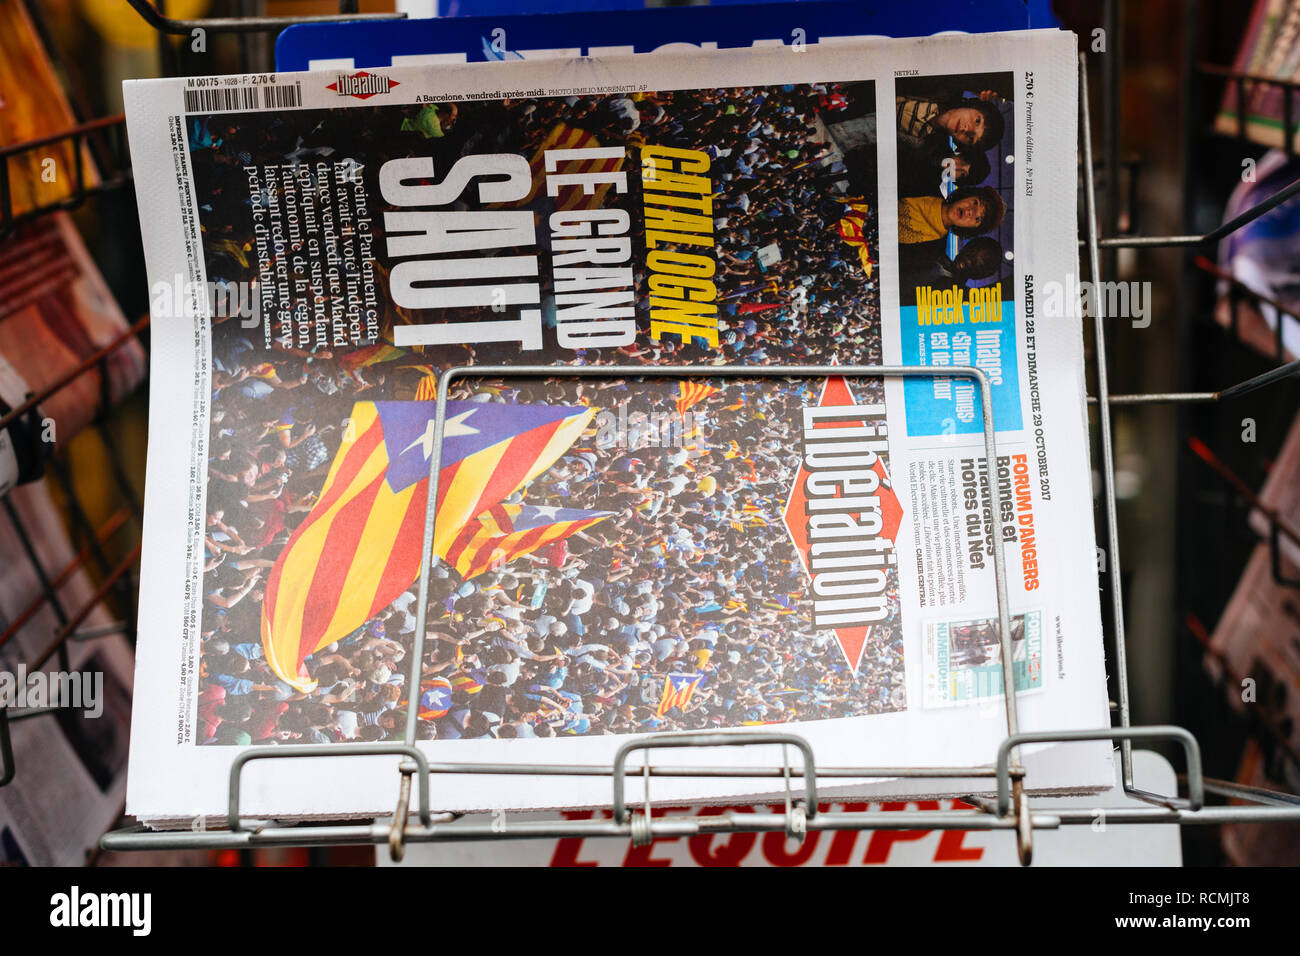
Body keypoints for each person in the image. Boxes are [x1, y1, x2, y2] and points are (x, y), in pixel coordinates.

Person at [897, 185, 1006, 244]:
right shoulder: (927, 181)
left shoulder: (933, 251)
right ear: (968, 195)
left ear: (971, 229)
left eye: (977, 219)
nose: (970, 211)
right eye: (975, 202)